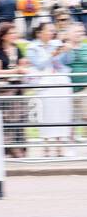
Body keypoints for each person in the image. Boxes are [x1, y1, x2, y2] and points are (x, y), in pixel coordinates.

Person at [26, 21, 72, 157]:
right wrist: (53, 54)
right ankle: (46, 146)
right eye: (49, 30)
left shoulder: (57, 43)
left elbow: (66, 62)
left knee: (61, 113)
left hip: (59, 82)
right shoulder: (32, 47)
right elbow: (39, 65)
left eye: (53, 30)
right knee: (46, 114)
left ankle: (59, 146)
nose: (52, 32)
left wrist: (67, 50)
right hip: (44, 83)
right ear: (40, 33)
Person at [0, 22, 30, 158]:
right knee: (6, 120)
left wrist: (20, 69)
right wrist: (15, 70)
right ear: (3, 36)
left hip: (17, 88)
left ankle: (19, 148)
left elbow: (23, 65)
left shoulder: (17, 49)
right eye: (11, 33)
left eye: (15, 33)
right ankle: (7, 148)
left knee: (20, 119)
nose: (14, 35)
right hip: (4, 90)